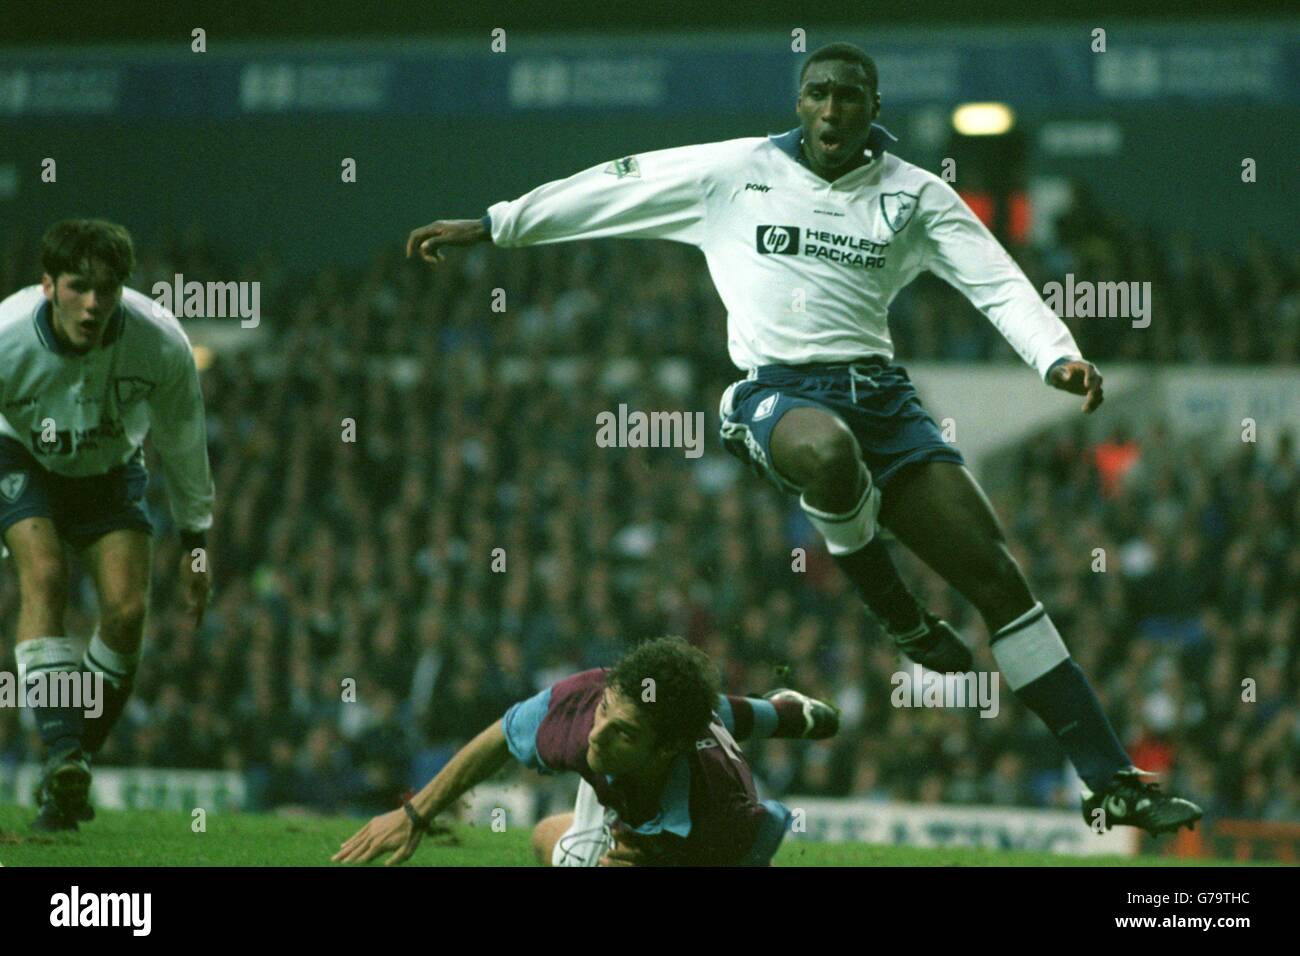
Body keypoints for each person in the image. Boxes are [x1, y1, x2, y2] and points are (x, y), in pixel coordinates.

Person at [401, 42, 1202, 835]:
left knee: (1000, 581)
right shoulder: (736, 171)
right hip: (776, 394)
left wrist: (1056, 354)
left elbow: (994, 279)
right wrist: (497, 224)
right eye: (818, 93)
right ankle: (894, 606)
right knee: (829, 454)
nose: (831, 108)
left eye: (849, 96)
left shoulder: (915, 194)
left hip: (884, 401)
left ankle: (1110, 780)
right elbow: (620, 184)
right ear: (800, 102)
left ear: (873, 108)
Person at [0, 219, 214, 831]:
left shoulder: (160, 342)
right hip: (22, 458)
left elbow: (184, 440)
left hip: (111, 468)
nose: (93, 303)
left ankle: (69, 766)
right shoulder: (7, 338)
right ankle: (64, 748)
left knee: (125, 612)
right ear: (49, 286)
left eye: (108, 288)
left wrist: (196, 541)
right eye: (78, 286)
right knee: (45, 576)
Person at [333, 636, 837, 866]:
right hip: (635, 780)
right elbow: (499, 738)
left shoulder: (717, 817)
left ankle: (790, 715)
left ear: (665, 750)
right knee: (544, 839)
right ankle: (794, 714)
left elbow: (766, 832)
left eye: (623, 732)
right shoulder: (583, 705)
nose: (598, 735)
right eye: (605, 713)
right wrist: (415, 814)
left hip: (690, 832)